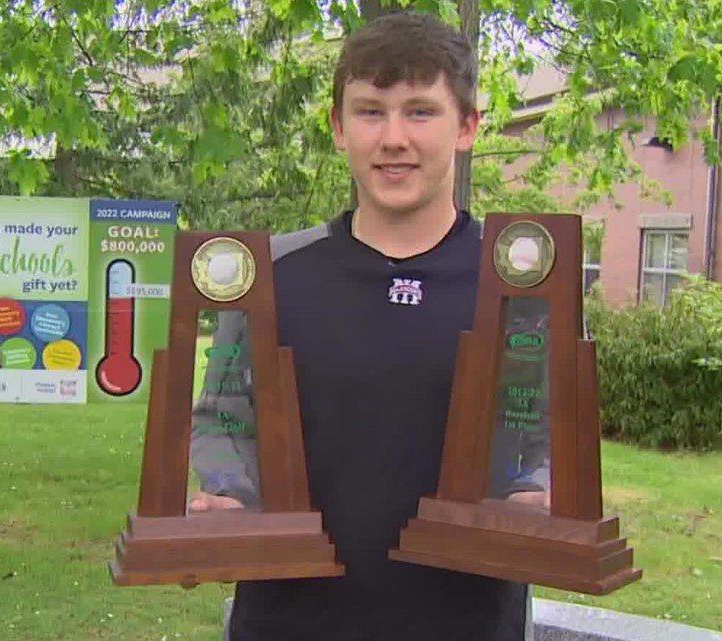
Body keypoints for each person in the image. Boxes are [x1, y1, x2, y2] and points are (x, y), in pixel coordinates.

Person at [188, 11, 551, 641]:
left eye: (420, 111)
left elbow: (545, 431)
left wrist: (536, 492)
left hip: (468, 622)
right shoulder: (271, 274)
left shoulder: (516, 286)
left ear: (466, 126)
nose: (393, 138)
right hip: (288, 623)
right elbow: (224, 417)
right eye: (370, 110)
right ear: (338, 127)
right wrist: (228, 496)